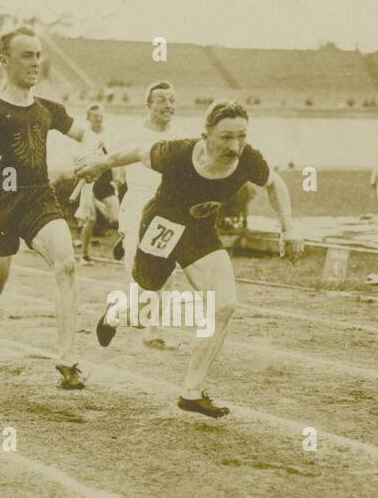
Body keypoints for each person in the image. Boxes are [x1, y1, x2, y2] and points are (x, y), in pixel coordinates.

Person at [78, 101, 302, 418]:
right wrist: (100, 164)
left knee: (224, 305)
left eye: (241, 136)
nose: (234, 146)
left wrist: (288, 229)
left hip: (200, 231)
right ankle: (118, 312)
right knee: (145, 306)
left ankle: (191, 392)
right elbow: (139, 151)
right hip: (162, 225)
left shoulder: (248, 158)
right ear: (206, 134)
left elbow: (274, 183)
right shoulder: (179, 153)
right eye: (226, 137)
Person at [0, 27, 101, 390]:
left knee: (66, 265)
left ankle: (67, 361)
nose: (36, 62)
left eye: (38, 55)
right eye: (27, 55)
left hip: (38, 199)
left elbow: (88, 133)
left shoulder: (48, 110)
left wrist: (92, 150)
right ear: (4, 60)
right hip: (1, 203)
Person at [81, 81, 178, 348]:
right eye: (161, 100)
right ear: (148, 105)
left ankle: (153, 332)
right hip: (138, 208)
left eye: (171, 100)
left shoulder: (181, 135)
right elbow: (101, 161)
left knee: (167, 274)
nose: (167, 105)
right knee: (143, 283)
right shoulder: (133, 133)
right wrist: (85, 198)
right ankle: (116, 315)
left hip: (169, 212)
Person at [69, 104, 121, 263]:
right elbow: (76, 159)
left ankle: (121, 243)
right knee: (90, 219)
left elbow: (117, 156)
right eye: (95, 116)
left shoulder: (110, 134)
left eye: (101, 115)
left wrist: (118, 175)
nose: (98, 119)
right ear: (88, 118)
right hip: (87, 181)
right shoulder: (84, 135)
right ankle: (84, 255)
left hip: (104, 180)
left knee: (117, 218)